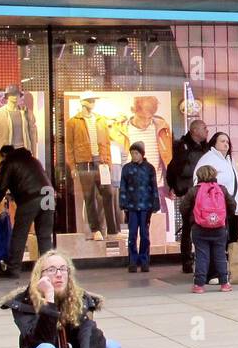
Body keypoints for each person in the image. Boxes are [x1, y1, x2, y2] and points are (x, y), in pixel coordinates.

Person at [0, 144, 55, 279]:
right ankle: (49, 269)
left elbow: (2, 185)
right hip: (48, 196)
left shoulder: (10, 162)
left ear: (4, 154)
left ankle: (14, 269)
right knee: (44, 236)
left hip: (30, 198)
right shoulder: (33, 160)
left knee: (19, 235)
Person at [65, 92, 117, 242]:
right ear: (83, 102)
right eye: (90, 100)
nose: (93, 102)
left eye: (93, 100)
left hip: (100, 162)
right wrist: (73, 166)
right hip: (84, 163)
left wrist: (108, 162)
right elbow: (69, 146)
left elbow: (106, 142)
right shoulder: (73, 122)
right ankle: (95, 230)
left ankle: (111, 229)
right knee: (89, 196)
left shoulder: (100, 120)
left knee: (107, 193)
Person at [181, 164, 235, 294]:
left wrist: (191, 218)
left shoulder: (194, 191)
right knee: (220, 255)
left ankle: (199, 285)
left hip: (199, 228)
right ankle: (224, 283)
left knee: (202, 256)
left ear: (198, 176)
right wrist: (225, 217)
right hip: (219, 228)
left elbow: (183, 208)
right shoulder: (222, 189)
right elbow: (232, 205)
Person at [169, 119, 210, 274]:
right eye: (204, 128)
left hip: (204, 193)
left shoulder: (207, 147)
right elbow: (176, 169)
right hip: (189, 192)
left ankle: (203, 259)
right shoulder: (182, 147)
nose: (207, 130)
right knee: (188, 227)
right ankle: (187, 260)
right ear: (194, 130)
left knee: (204, 226)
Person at [197, 132, 238, 254]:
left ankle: (229, 268)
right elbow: (199, 184)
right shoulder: (208, 159)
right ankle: (217, 269)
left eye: (227, 142)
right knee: (220, 243)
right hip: (217, 208)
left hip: (234, 207)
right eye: (222, 141)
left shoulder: (229, 159)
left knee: (233, 242)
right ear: (214, 143)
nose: (226, 144)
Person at [118, 142, 159, 273]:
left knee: (145, 235)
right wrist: (123, 203)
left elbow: (154, 187)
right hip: (131, 206)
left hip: (146, 206)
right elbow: (122, 187)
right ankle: (132, 261)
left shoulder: (149, 168)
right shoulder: (127, 168)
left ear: (142, 154)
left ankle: (144, 260)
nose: (134, 156)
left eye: (136, 153)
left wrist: (155, 203)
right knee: (132, 234)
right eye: (132, 153)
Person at [0, 85, 38, 163]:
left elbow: (33, 134)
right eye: (12, 94)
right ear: (7, 96)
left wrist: (34, 156)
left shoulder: (27, 113)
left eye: (17, 94)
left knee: (23, 175)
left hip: (24, 154)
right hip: (7, 155)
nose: (15, 96)